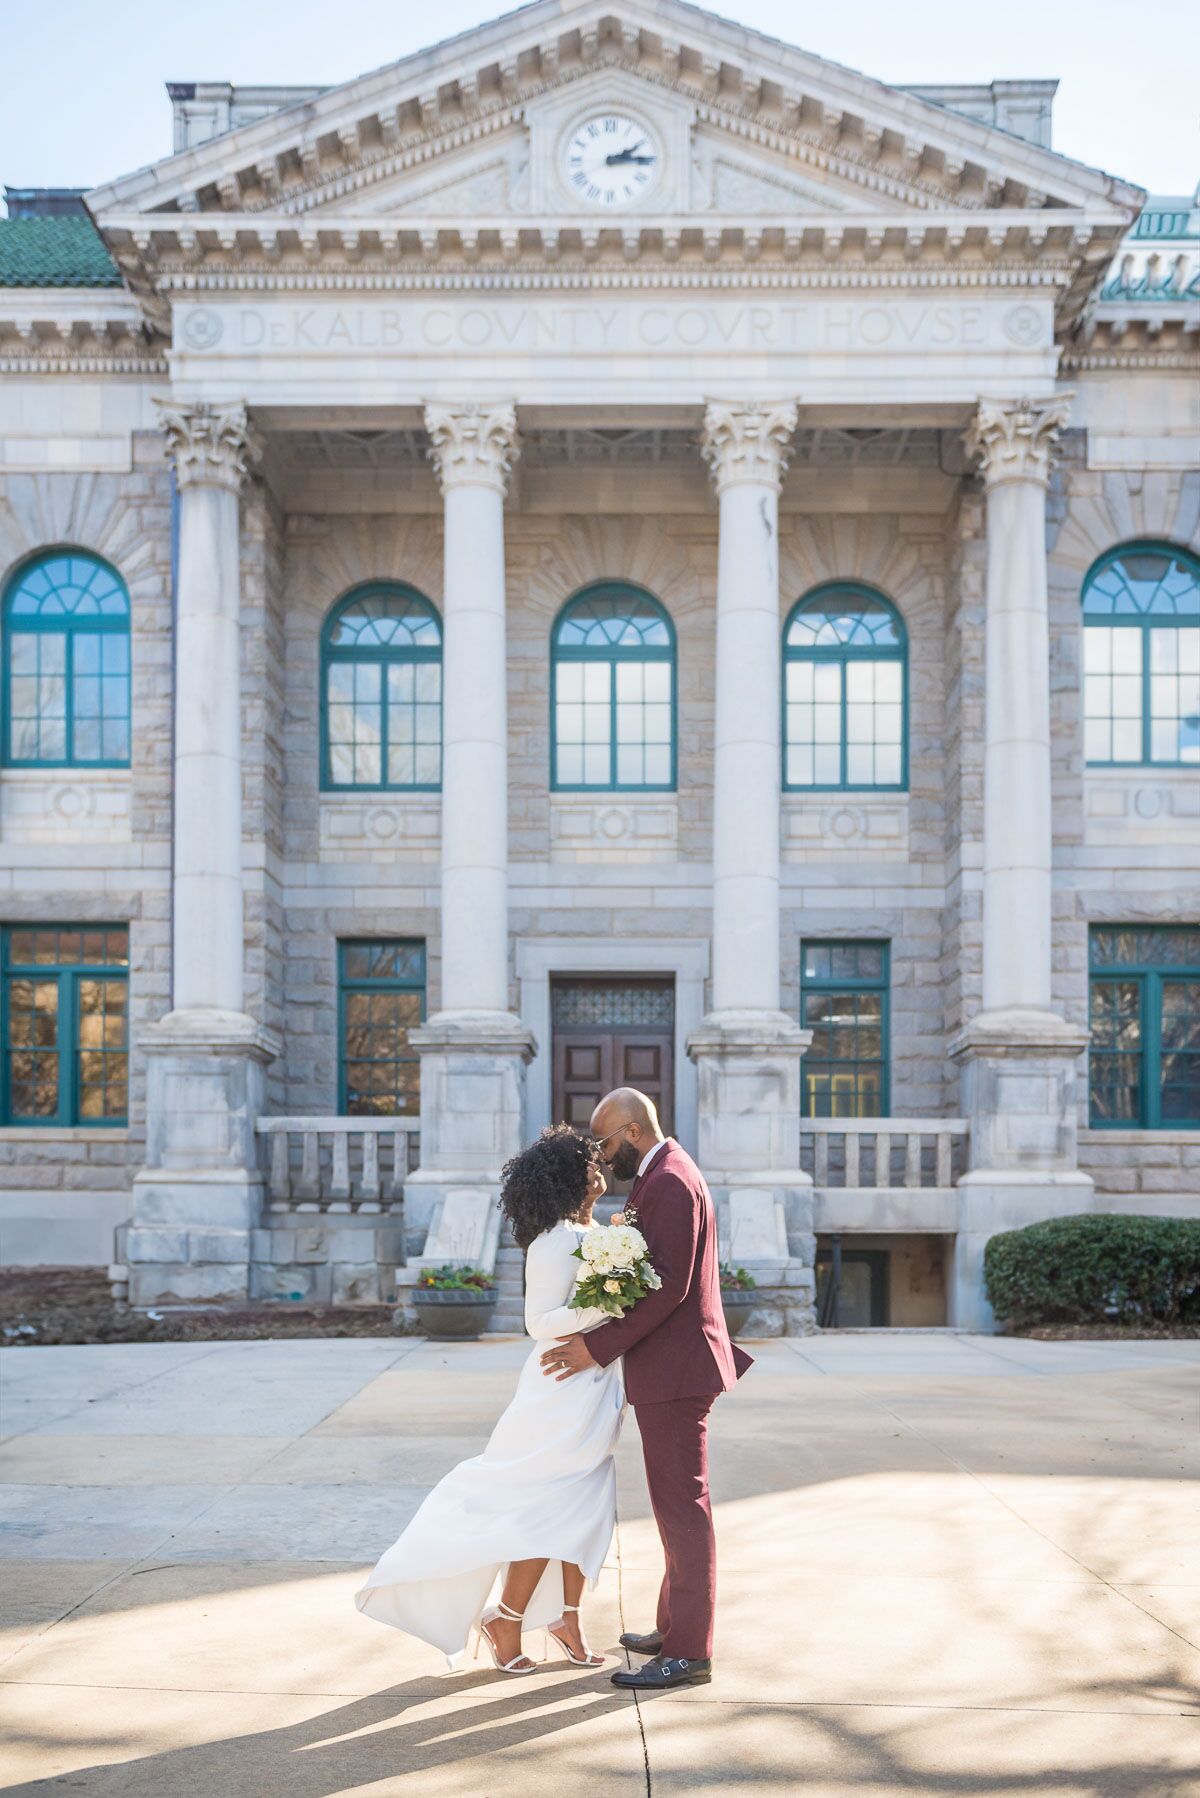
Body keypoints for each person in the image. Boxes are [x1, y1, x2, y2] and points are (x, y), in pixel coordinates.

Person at [355, 1125, 625, 1673]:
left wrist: (618, 1287)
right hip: (558, 1392)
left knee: (589, 1508)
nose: (598, 1168)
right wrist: (610, 1306)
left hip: (598, 1387)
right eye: (586, 1162)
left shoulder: (603, 1235)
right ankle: (506, 1617)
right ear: (564, 1178)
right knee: (546, 1507)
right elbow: (538, 1324)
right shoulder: (553, 1241)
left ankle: (568, 1617)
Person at [541, 1087, 752, 1691]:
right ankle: (672, 1625)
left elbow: (670, 1290)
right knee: (672, 1506)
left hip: (678, 1371)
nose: (602, 1159)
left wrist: (595, 1347)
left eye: (605, 1143)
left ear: (633, 1132)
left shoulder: (667, 1182)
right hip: (673, 1367)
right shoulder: (666, 1171)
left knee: (683, 1507)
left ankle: (689, 1652)